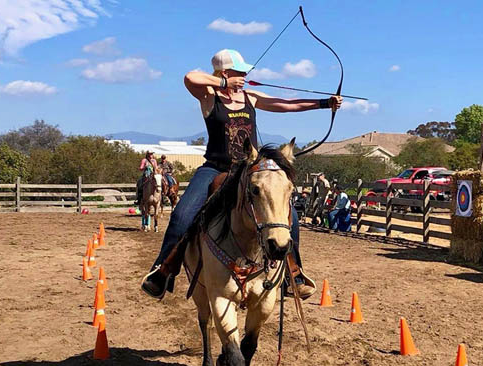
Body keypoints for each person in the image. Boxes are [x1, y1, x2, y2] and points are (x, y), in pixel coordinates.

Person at [141, 48, 342, 300]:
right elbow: (190, 77)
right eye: (240, 72)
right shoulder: (208, 95)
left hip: (250, 170)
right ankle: (163, 270)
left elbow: (286, 104)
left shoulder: (250, 96)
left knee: (288, 215)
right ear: (225, 72)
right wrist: (223, 83)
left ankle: (294, 274)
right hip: (216, 167)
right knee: (182, 215)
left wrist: (324, 104)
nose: (245, 76)